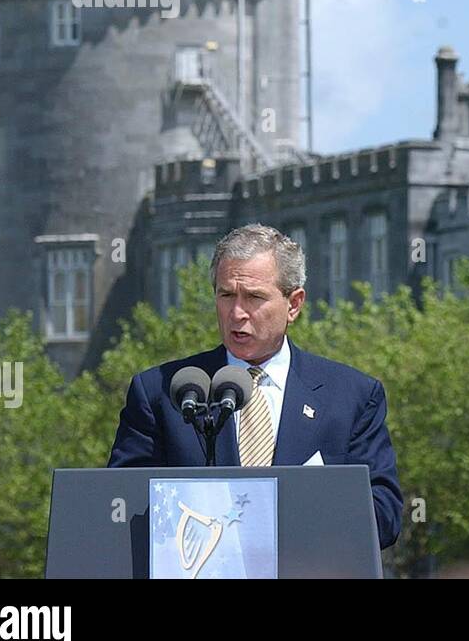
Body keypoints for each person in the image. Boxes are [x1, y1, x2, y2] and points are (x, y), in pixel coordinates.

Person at [108, 223, 403, 549]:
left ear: (294, 304)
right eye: (226, 295)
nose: (237, 313)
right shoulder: (163, 392)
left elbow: (384, 516)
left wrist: (293, 514)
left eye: (254, 297)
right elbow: (123, 510)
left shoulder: (352, 397)